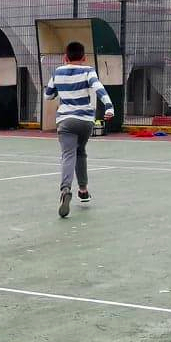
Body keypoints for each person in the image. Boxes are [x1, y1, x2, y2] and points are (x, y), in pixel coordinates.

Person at [45, 41, 117, 217]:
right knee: (81, 152)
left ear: (65, 57)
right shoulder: (88, 70)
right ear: (84, 58)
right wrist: (109, 107)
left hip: (66, 121)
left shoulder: (57, 72)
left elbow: (48, 95)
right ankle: (83, 190)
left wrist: (59, 91)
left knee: (68, 155)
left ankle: (65, 190)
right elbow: (99, 88)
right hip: (85, 121)